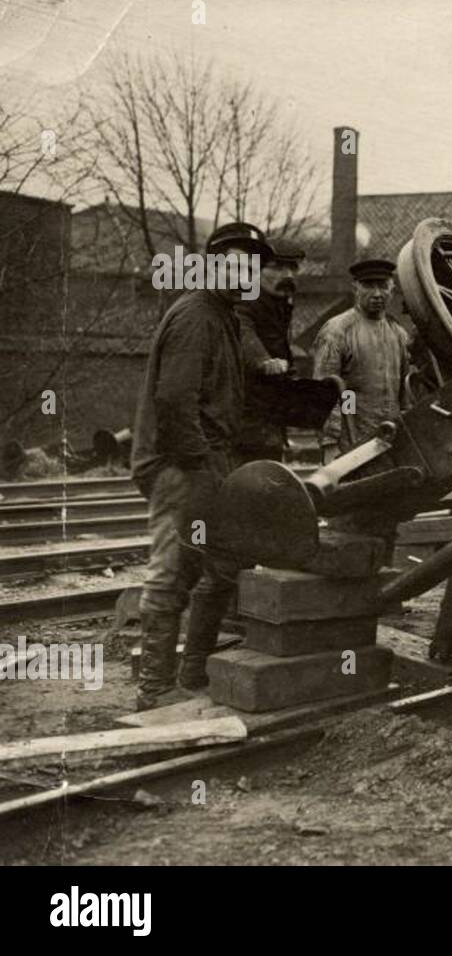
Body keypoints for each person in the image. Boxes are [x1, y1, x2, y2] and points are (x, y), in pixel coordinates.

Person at [130, 221, 272, 710]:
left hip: (207, 462)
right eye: (232, 262)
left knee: (221, 566)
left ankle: (192, 672)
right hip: (180, 466)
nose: (242, 272)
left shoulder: (224, 316)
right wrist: (197, 461)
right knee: (174, 572)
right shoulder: (196, 315)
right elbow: (175, 399)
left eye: (250, 266)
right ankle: (154, 689)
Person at [313, 258, 411, 462]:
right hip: (351, 441)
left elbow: (403, 390)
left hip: (389, 438)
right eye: (368, 286)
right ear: (355, 288)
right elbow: (325, 389)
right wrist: (330, 444)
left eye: (383, 286)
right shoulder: (337, 331)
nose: (377, 294)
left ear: (392, 288)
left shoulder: (398, 333)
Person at [231, 239, 304, 465]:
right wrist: (264, 360)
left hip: (265, 416)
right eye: (278, 267)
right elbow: (242, 329)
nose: (288, 274)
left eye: (292, 268)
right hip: (243, 416)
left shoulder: (279, 304)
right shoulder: (247, 298)